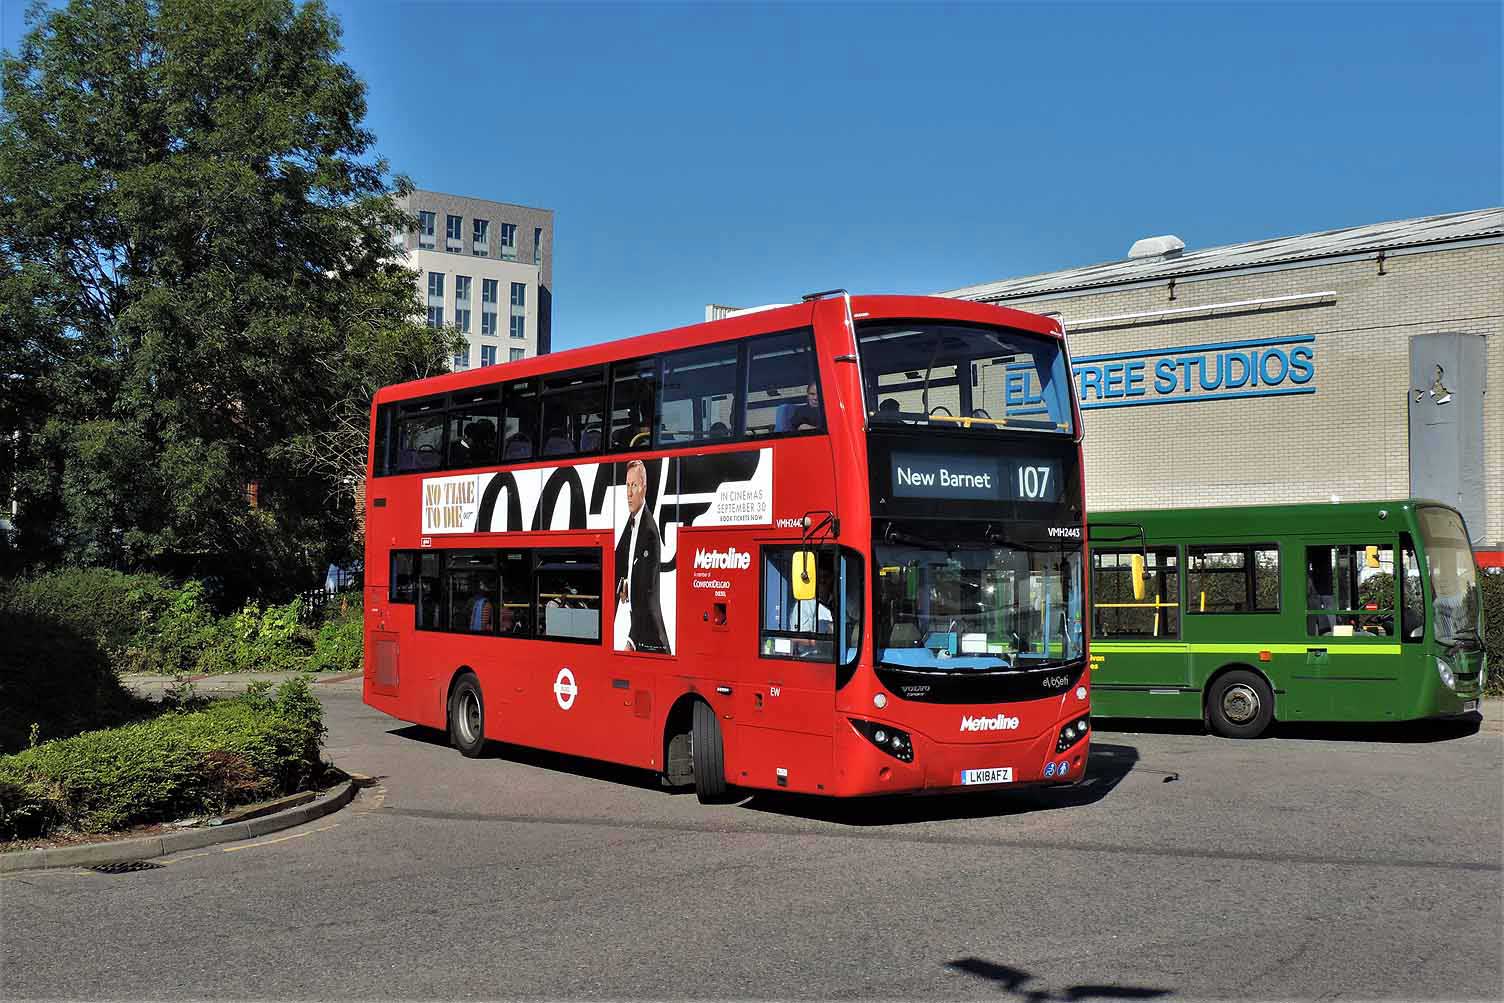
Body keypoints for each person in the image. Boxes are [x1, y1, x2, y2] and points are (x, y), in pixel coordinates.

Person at [614, 459, 670, 653]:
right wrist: (624, 583)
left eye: (634, 485)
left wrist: (631, 641)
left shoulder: (649, 533)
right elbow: (619, 562)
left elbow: (646, 596)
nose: (629, 493)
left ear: (644, 488)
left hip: (650, 639)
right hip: (636, 630)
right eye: (627, 485)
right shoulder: (631, 524)